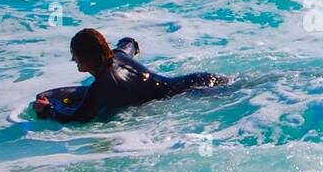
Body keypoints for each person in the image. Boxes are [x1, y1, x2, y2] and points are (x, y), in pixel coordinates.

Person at [34, 29, 227, 123]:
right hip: (197, 81)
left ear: (85, 58)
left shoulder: (102, 85)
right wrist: (127, 40)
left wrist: (48, 109)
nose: (72, 59)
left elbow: (79, 118)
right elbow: (130, 43)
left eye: (75, 55)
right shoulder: (118, 55)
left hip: (194, 91)